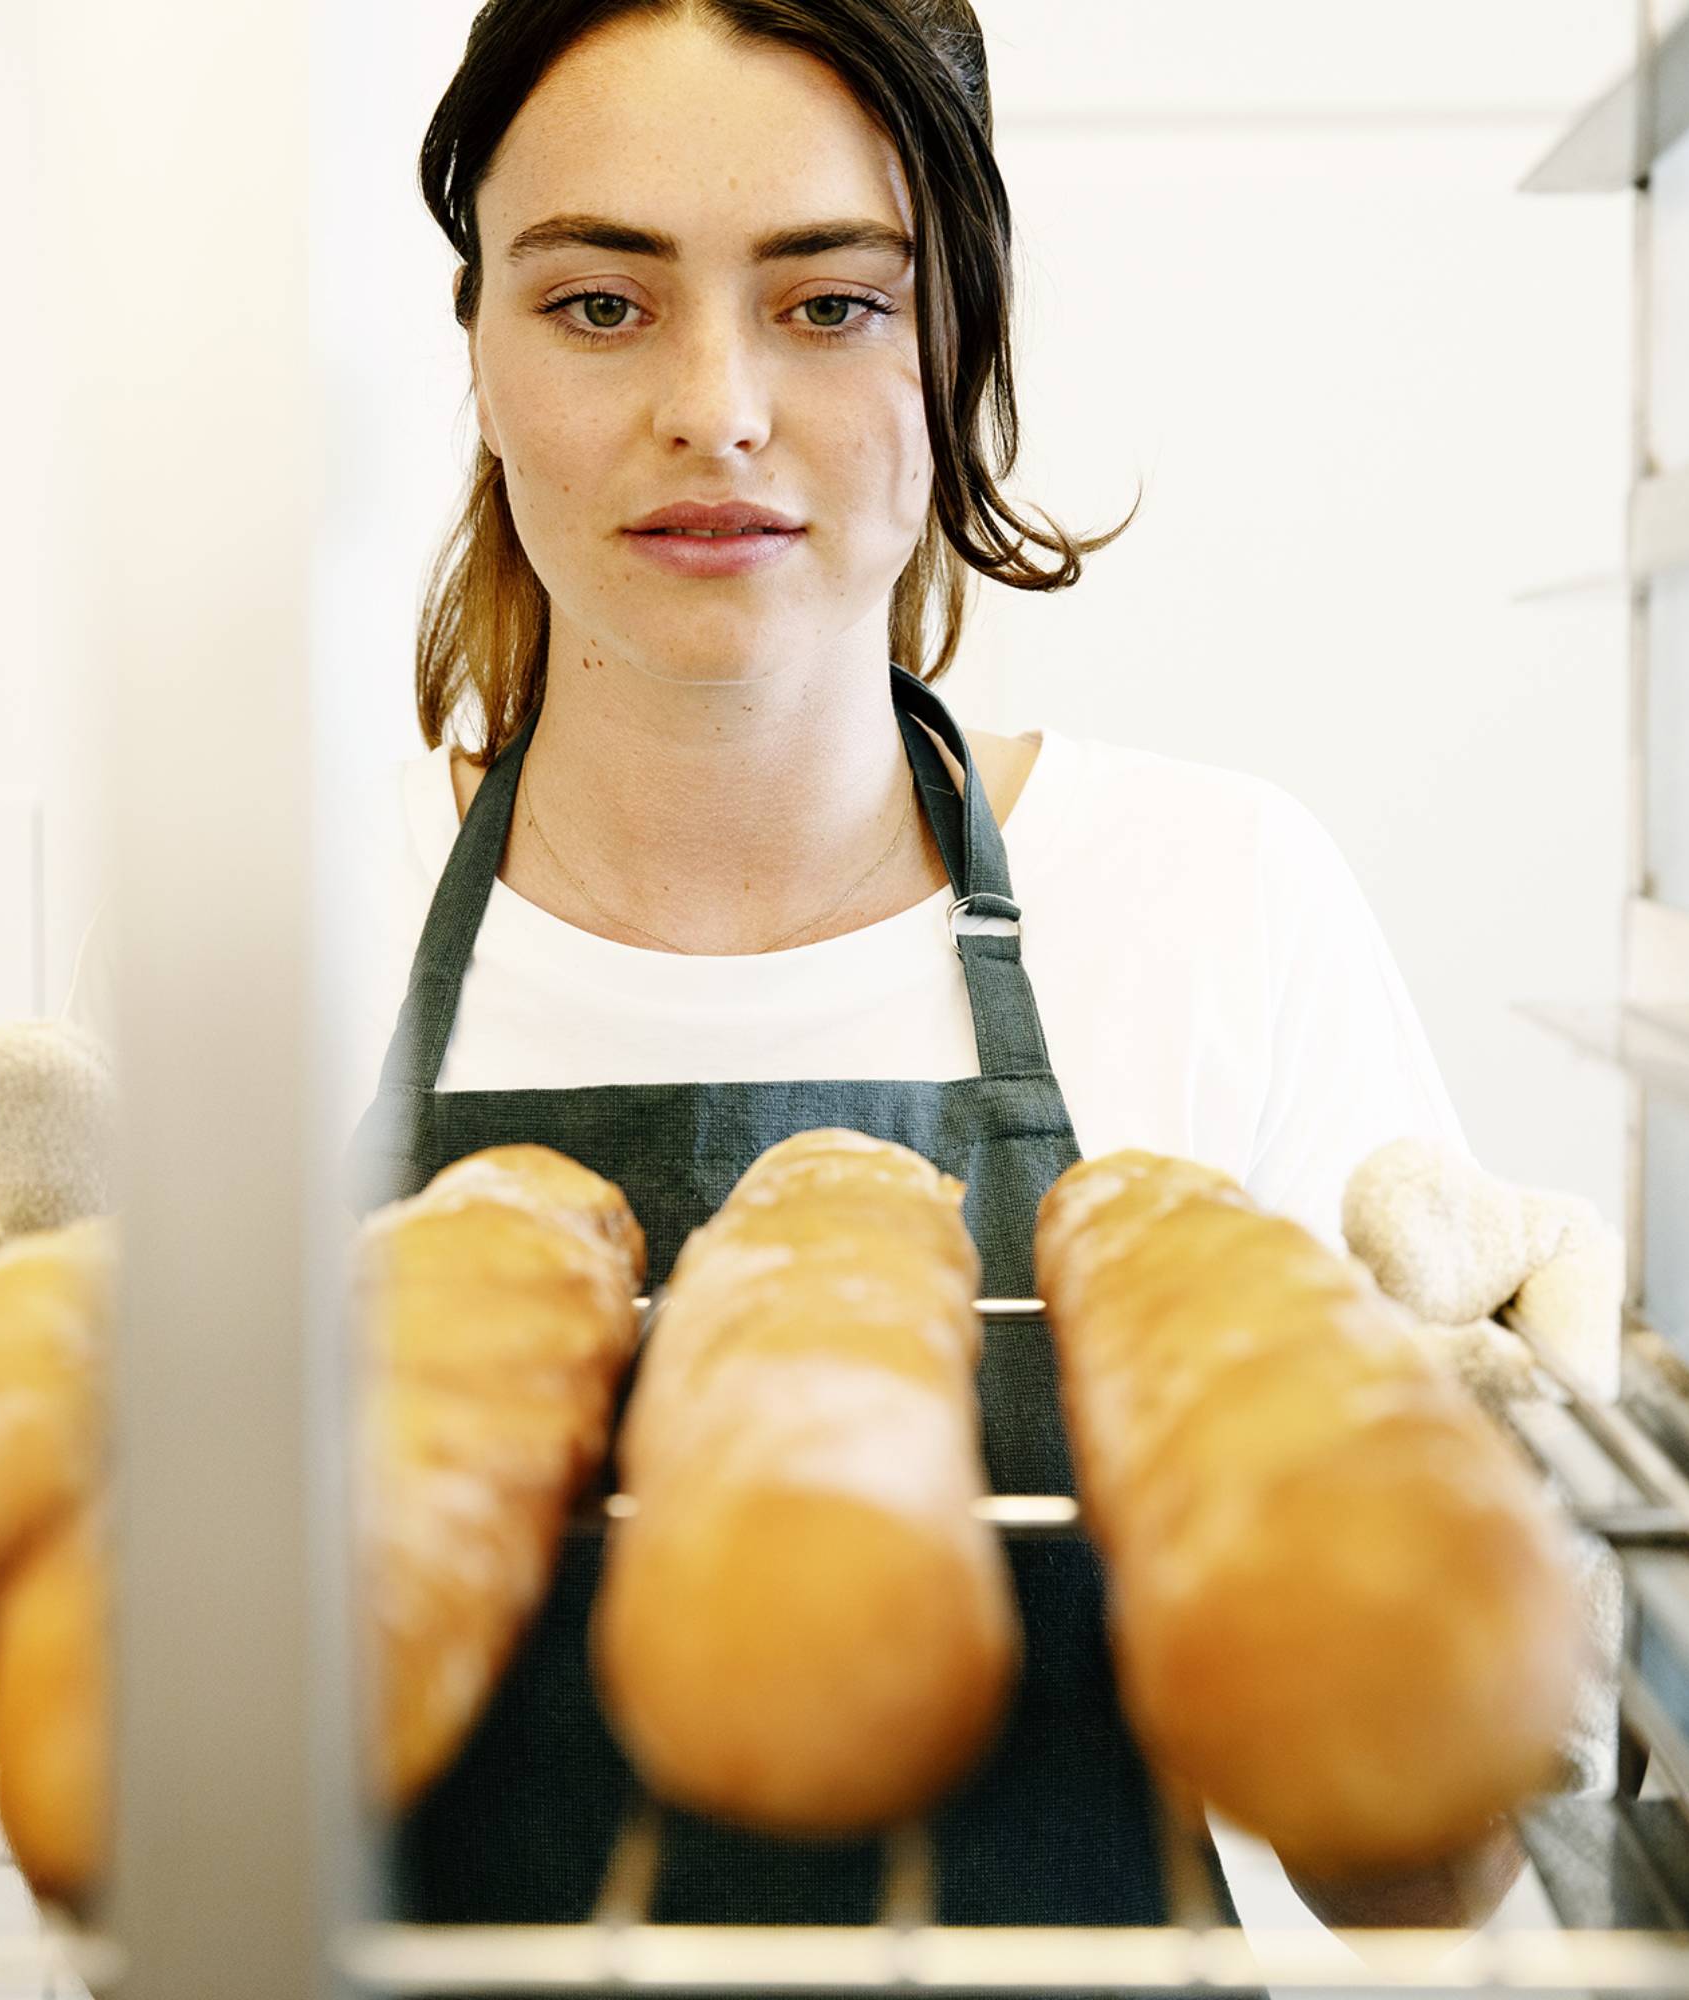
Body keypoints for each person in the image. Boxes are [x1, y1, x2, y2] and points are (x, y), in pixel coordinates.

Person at [329, 0, 1512, 1948]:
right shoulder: (274, 936)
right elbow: (134, 1852)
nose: (715, 405)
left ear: (959, 345)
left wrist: (1516, 1503)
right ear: (477, 352)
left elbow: (1413, 1873)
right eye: (599, 303)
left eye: (831, 304)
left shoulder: (1215, 899)